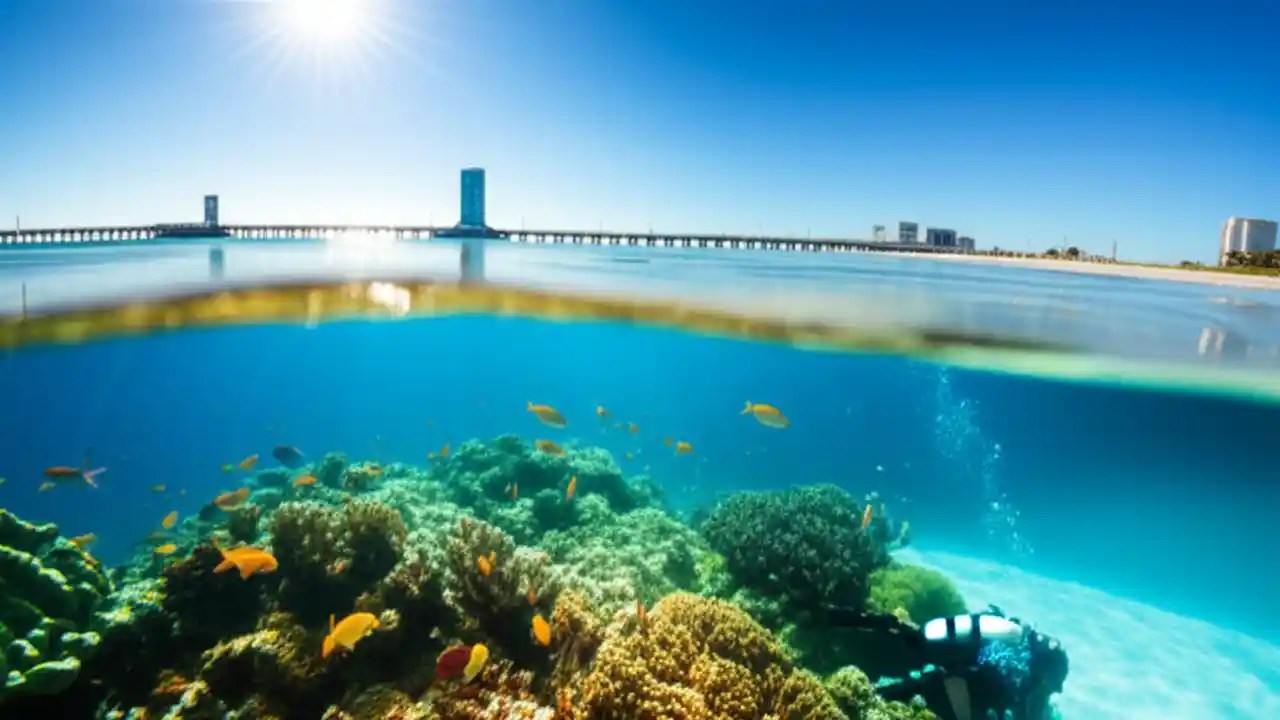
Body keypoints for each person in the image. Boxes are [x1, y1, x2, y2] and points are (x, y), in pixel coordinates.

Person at [823, 604, 1068, 720]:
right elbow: (957, 677)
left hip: (937, 663)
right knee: (875, 697)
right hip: (939, 686)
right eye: (1054, 683)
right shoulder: (1011, 679)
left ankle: (839, 618)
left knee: (906, 644)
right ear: (1041, 674)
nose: (1057, 690)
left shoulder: (1013, 668)